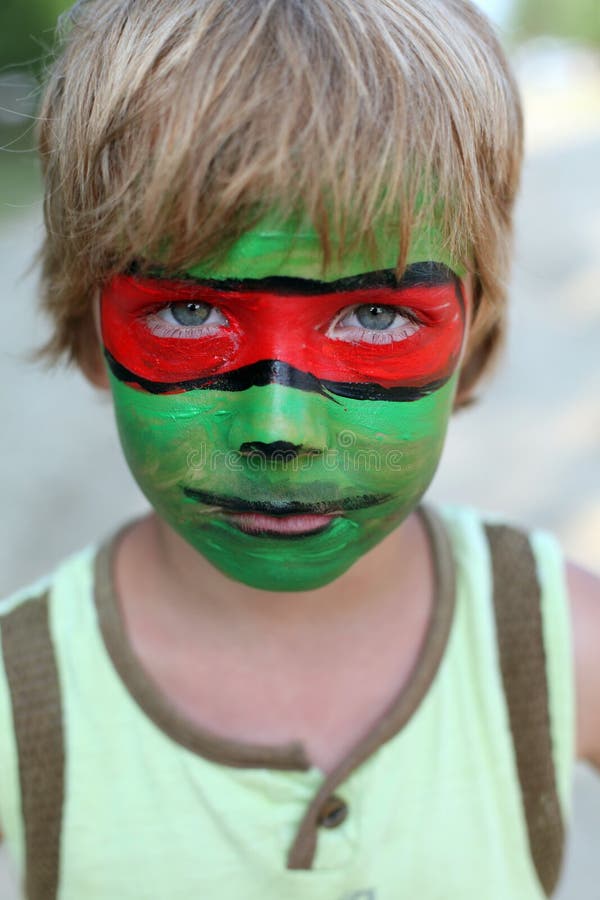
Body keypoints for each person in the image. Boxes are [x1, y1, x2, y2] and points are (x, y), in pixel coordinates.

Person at [0, 0, 598, 897]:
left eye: (375, 316)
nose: (278, 427)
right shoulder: (23, 700)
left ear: (471, 343)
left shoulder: (558, 648)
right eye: (188, 312)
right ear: (91, 333)